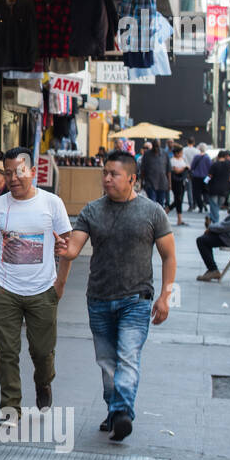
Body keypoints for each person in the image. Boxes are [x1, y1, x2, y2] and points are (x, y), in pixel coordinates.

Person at [56, 150, 176, 441]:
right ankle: (115, 411)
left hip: (136, 299)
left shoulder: (152, 212)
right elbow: (74, 249)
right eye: (105, 173)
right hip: (98, 299)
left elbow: (169, 256)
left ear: (132, 179)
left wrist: (165, 296)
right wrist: (64, 249)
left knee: (127, 357)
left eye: (114, 174)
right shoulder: (91, 210)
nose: (107, 179)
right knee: (107, 362)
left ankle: (122, 412)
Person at [0, 147, 73, 424]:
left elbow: (68, 246)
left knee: (43, 353)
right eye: (8, 173)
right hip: (6, 292)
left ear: (32, 172)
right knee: (7, 353)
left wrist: (60, 283)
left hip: (43, 291)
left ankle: (43, 383)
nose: (13, 178)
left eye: (19, 171)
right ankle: (10, 408)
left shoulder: (51, 203)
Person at [196, 181, 230, 281]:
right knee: (208, 236)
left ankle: (213, 269)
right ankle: (212, 269)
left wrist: (212, 228)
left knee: (201, 240)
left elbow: (229, 225)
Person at [205, 149, 230, 225]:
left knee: (214, 205)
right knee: (218, 205)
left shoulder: (214, 164)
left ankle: (214, 220)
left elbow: (209, 176)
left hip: (213, 188)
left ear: (218, 156)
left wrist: (204, 183)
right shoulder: (228, 164)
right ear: (225, 156)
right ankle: (213, 219)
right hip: (224, 189)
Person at [140, 139, 170, 208]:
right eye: (155, 146)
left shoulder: (164, 154)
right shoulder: (147, 154)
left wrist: (169, 183)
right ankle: (153, 218)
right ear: (152, 145)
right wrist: (142, 182)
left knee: (160, 204)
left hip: (162, 183)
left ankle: (158, 218)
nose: (156, 148)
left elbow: (168, 170)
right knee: (152, 203)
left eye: (157, 146)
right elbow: (143, 169)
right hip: (150, 182)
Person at [169, 144, 189, 226]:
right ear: (177, 153)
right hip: (176, 182)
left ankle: (167, 211)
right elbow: (176, 170)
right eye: (181, 152)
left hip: (182, 182)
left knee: (179, 199)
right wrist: (184, 168)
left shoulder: (181, 159)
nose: (181, 154)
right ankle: (178, 219)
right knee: (178, 199)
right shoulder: (172, 160)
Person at [189, 144, 211, 212]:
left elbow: (192, 167)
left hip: (196, 177)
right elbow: (210, 168)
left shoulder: (196, 157)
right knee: (205, 191)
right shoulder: (208, 158)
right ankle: (205, 202)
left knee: (197, 192)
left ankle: (200, 205)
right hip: (205, 177)